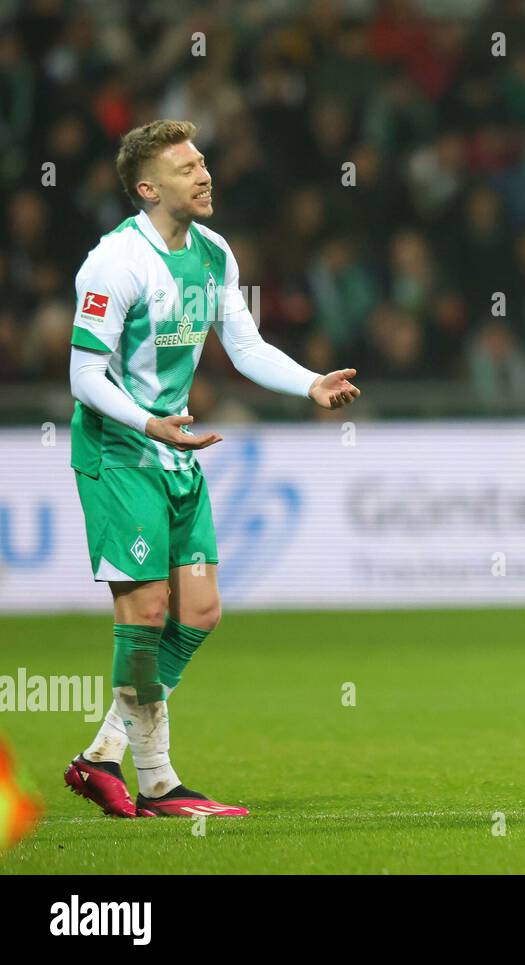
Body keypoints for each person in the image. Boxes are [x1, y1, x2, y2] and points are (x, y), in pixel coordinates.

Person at [64, 120, 361, 818]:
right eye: (187, 167)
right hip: (121, 452)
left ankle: (102, 754)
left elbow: (246, 345)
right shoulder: (114, 263)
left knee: (199, 609)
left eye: (204, 163)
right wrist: (146, 421)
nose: (205, 175)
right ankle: (158, 781)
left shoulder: (213, 253)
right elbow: (82, 374)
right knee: (148, 611)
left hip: (177, 448)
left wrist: (310, 382)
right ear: (147, 188)